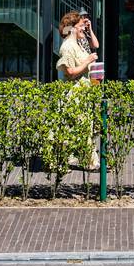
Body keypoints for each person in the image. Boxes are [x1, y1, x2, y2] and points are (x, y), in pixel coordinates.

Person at [56, 20, 100, 170]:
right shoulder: (67, 46)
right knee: (77, 128)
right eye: (81, 26)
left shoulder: (78, 43)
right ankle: (89, 162)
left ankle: (85, 161)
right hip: (73, 93)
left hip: (83, 91)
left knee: (83, 128)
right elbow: (70, 72)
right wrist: (88, 60)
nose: (84, 28)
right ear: (72, 28)